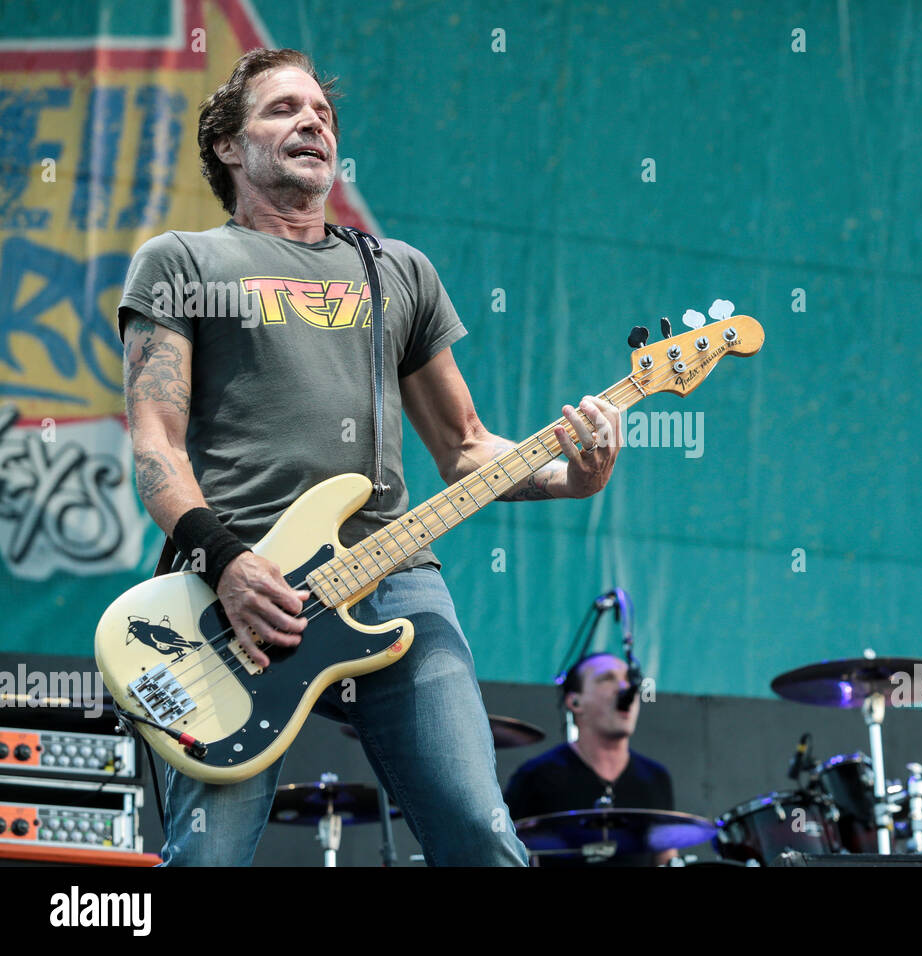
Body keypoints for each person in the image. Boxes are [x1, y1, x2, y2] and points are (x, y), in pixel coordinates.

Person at [117, 48, 623, 866]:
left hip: (394, 579)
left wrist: (575, 475)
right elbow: (155, 448)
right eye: (284, 109)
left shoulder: (398, 273)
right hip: (233, 590)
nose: (312, 122)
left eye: (322, 113)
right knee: (207, 857)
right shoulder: (181, 262)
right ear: (225, 145)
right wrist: (227, 564)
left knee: (481, 832)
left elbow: (466, 451)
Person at [503, 652, 674, 866]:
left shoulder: (655, 778)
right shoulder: (536, 777)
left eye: (628, 680)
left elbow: (666, 856)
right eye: (607, 678)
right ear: (575, 702)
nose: (625, 687)